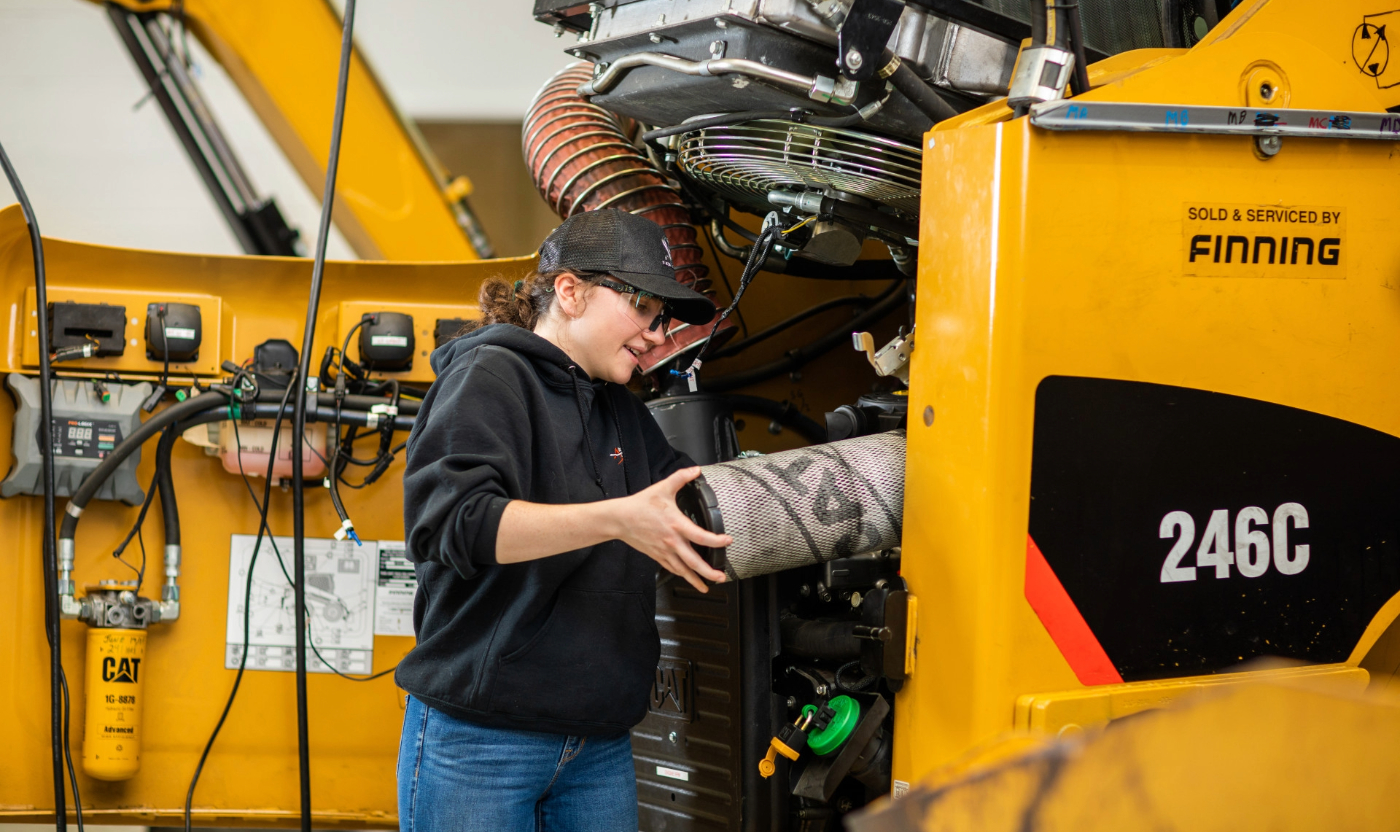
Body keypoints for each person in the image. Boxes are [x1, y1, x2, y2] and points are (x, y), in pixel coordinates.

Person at [394, 209, 732, 832]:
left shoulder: (619, 409)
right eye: (642, 307)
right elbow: (454, 524)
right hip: (483, 741)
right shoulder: (489, 377)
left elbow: (691, 502)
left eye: (662, 318)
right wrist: (617, 520)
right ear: (571, 292)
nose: (658, 334)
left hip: (597, 745)